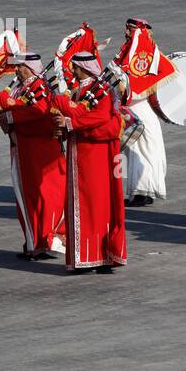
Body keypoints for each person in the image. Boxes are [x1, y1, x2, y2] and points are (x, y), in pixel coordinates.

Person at [53, 53, 127, 274]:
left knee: (97, 206)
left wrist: (70, 122)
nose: (72, 71)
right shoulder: (78, 91)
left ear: (82, 67)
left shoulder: (102, 92)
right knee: (81, 206)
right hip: (79, 155)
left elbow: (100, 118)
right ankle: (83, 257)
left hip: (96, 158)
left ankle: (101, 257)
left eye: (74, 67)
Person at [0, 53, 66, 260]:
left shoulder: (39, 87)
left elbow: (39, 111)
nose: (16, 71)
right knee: (27, 197)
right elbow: (3, 101)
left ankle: (44, 242)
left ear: (29, 68)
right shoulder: (23, 87)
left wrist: (10, 115)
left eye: (19, 67)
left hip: (39, 152)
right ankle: (34, 242)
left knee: (42, 197)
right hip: (24, 149)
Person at [116, 18, 168, 207]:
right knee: (133, 150)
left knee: (145, 151)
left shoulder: (146, 54)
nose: (126, 32)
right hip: (130, 107)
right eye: (127, 28)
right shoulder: (127, 50)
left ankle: (144, 192)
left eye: (130, 29)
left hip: (141, 107)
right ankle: (136, 191)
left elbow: (150, 81)